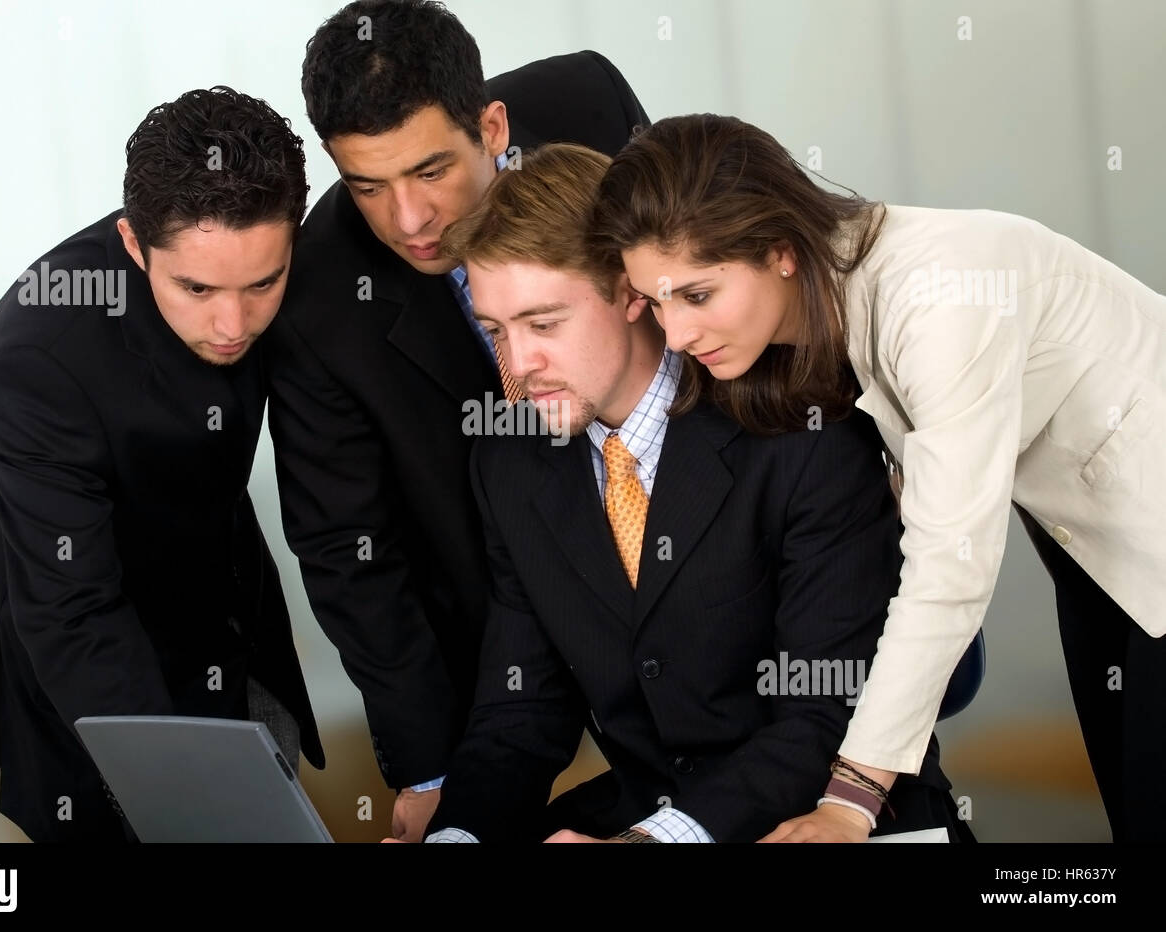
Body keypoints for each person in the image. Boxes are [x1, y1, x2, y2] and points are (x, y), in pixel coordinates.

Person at [590, 113, 1166, 842]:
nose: (675, 335)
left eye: (698, 295)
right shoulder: (825, 306)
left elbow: (948, 571)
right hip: (1091, 537)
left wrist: (850, 799)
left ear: (780, 251)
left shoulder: (939, 300)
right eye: (656, 301)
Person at [403, 143, 968, 843]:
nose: (517, 366)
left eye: (544, 324)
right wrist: (456, 839)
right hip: (644, 812)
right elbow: (519, 714)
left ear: (632, 290)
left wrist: (655, 842)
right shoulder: (513, 464)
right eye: (495, 331)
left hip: (831, 818)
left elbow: (825, 713)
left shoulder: (801, 425)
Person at [266, 0, 647, 841]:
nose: (409, 219)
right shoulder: (321, 298)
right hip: (499, 618)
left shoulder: (592, 108)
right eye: (368, 185)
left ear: (493, 124)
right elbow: (346, 549)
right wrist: (431, 766)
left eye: (431, 171)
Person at [0, 87, 324, 841]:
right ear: (133, 244)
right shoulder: (36, 355)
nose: (234, 325)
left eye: (263, 285)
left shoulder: (292, 263)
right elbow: (71, 611)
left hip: (233, 636)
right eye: (195, 288)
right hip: (90, 682)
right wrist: (186, 792)